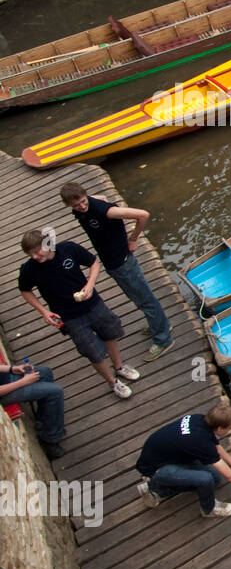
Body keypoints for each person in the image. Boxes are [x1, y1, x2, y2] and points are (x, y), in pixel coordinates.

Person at [18, 231, 138, 399]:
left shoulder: (68, 249)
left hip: (94, 304)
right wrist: (43, 311)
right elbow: (25, 290)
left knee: (110, 335)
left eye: (38, 252)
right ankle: (113, 382)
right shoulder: (29, 269)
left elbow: (94, 263)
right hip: (69, 318)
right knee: (93, 352)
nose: (35, 256)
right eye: (30, 254)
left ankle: (119, 367)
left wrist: (90, 284)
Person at [60, 182, 173, 361]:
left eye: (83, 201)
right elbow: (102, 198)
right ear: (69, 205)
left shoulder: (106, 211)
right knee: (138, 298)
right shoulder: (82, 209)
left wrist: (133, 238)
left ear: (85, 195)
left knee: (145, 300)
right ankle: (160, 325)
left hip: (123, 263)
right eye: (76, 205)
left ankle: (163, 339)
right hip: (112, 262)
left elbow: (143, 215)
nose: (82, 206)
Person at [134, 405, 231, 518]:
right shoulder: (201, 442)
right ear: (220, 428)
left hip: (171, 456)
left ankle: (157, 485)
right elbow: (230, 477)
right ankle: (209, 509)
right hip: (156, 466)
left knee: (215, 479)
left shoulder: (199, 419)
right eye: (230, 428)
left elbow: (215, 445)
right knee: (205, 479)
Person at [0, 358, 65, 458]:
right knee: (55, 392)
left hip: (6, 380)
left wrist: (12, 369)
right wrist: (23, 382)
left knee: (45, 372)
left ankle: (45, 424)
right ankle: (50, 440)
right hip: (4, 394)